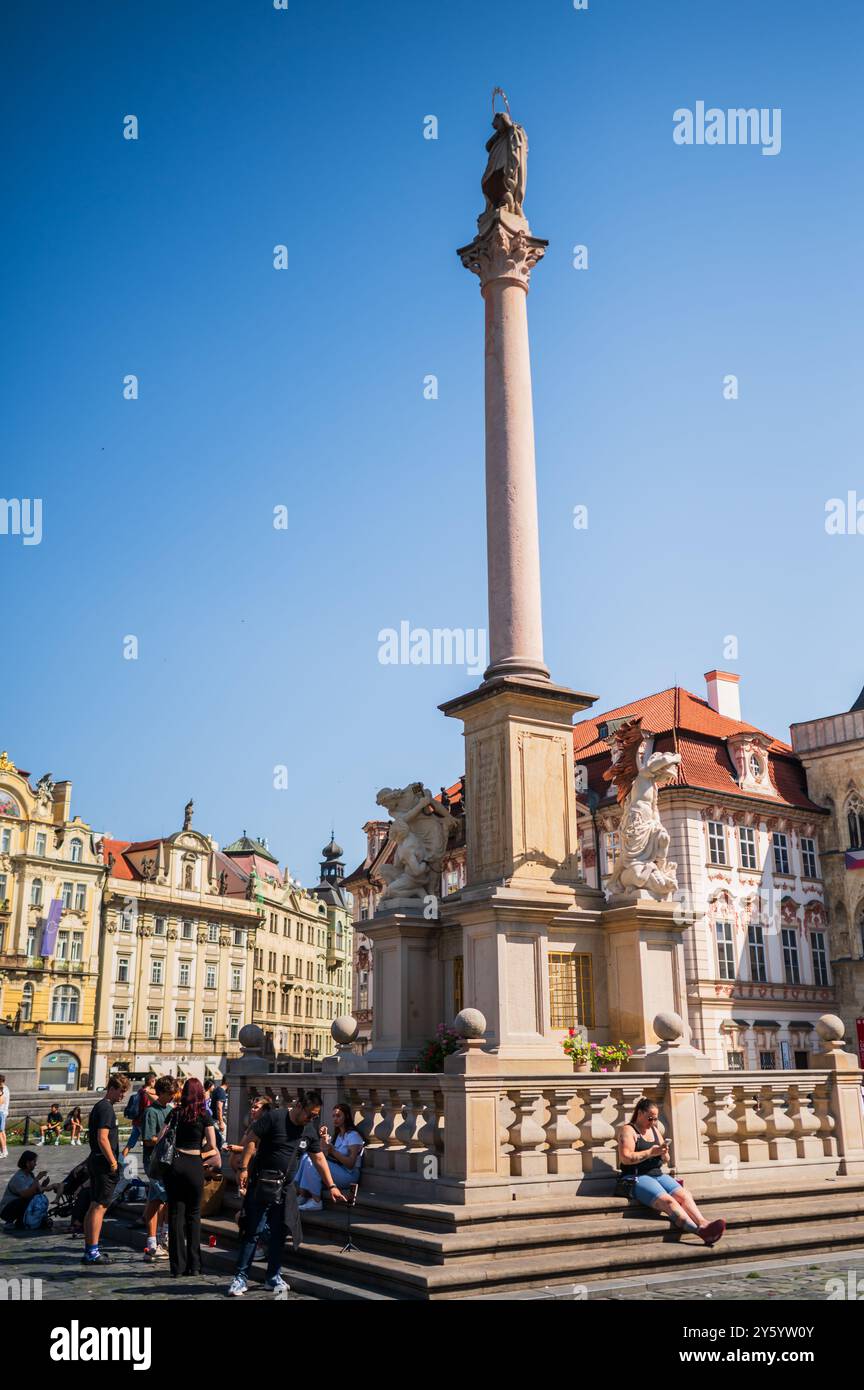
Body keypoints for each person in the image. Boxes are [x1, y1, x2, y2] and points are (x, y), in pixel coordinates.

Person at [228, 1088, 346, 1297]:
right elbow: (252, 1140)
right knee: (253, 1230)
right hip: (263, 1181)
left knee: (280, 1231)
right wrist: (244, 1167)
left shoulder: (308, 1130)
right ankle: (240, 1277)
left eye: (316, 1116)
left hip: (286, 1188)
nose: (312, 1118)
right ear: (299, 1106)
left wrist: (332, 1186)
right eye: (310, 1114)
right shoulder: (275, 1118)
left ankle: (272, 1276)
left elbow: (319, 1158)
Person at [617, 1098, 726, 1246]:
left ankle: (704, 1223)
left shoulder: (654, 1130)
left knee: (684, 1195)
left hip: (657, 1174)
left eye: (655, 1118)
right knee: (669, 1201)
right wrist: (650, 1152)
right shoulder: (628, 1130)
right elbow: (626, 1158)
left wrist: (663, 1152)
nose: (653, 1122)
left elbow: (666, 1159)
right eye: (650, 1118)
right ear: (640, 1113)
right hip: (637, 1176)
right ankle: (700, 1232)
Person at [158, 1077, 219, 1277]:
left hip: (175, 1164)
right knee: (194, 1215)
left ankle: (177, 1267)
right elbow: (212, 1145)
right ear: (201, 1093)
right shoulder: (204, 1115)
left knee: (175, 1214)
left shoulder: (175, 1113)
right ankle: (194, 1265)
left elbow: (161, 1139)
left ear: (183, 1093)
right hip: (194, 1165)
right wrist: (199, 1152)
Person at [81, 1074, 130, 1263]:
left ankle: (90, 1248)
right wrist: (113, 1162)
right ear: (112, 1088)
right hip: (103, 1162)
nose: (122, 1096)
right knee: (100, 1206)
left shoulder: (100, 1107)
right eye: (121, 1092)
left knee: (95, 1205)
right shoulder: (106, 1108)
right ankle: (92, 1252)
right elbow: (103, 1138)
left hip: (96, 1160)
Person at [296, 1101, 363, 1211]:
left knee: (312, 1162)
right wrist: (323, 1139)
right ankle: (302, 1195)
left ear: (346, 1116)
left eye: (338, 1116)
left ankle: (316, 1201)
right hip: (338, 1170)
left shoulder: (353, 1136)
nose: (335, 1119)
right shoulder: (338, 1136)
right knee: (306, 1157)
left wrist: (333, 1151)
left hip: (349, 1175)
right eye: (333, 1116)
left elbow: (350, 1164)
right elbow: (324, 1155)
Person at [140, 1076, 175, 1261]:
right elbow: (147, 1139)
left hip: (165, 1162)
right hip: (154, 1162)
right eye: (169, 1094)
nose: (171, 1098)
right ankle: (162, 1238)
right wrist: (167, 1139)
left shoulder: (170, 1110)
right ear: (160, 1092)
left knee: (155, 1201)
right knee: (166, 1197)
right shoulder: (151, 1112)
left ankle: (153, 1243)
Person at [1, 1150, 52, 1229]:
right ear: (27, 1163)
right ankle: (10, 1221)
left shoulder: (30, 1175)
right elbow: (26, 1194)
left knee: (37, 1198)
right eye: (34, 1161)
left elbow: (36, 1191)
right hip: (7, 1209)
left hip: (20, 1203)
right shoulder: (19, 1177)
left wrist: (44, 1185)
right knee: (25, 1199)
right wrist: (37, 1179)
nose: (35, 1164)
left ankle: (24, 1221)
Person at [122, 1072, 157, 1157]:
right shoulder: (147, 1094)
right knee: (149, 1143)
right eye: (155, 1080)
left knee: (130, 1143)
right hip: (143, 1122)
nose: (155, 1082)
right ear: (151, 1081)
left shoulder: (140, 1091)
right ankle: (149, 1163)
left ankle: (121, 1158)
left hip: (136, 1121)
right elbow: (148, 1108)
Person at [0, 1075, 9, 1159]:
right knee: (2, 1132)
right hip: (3, 1112)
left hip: (1, 1112)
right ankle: (4, 1150)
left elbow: (2, 1101)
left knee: (1, 1133)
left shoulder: (3, 1090)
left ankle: (4, 1150)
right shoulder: (5, 1088)